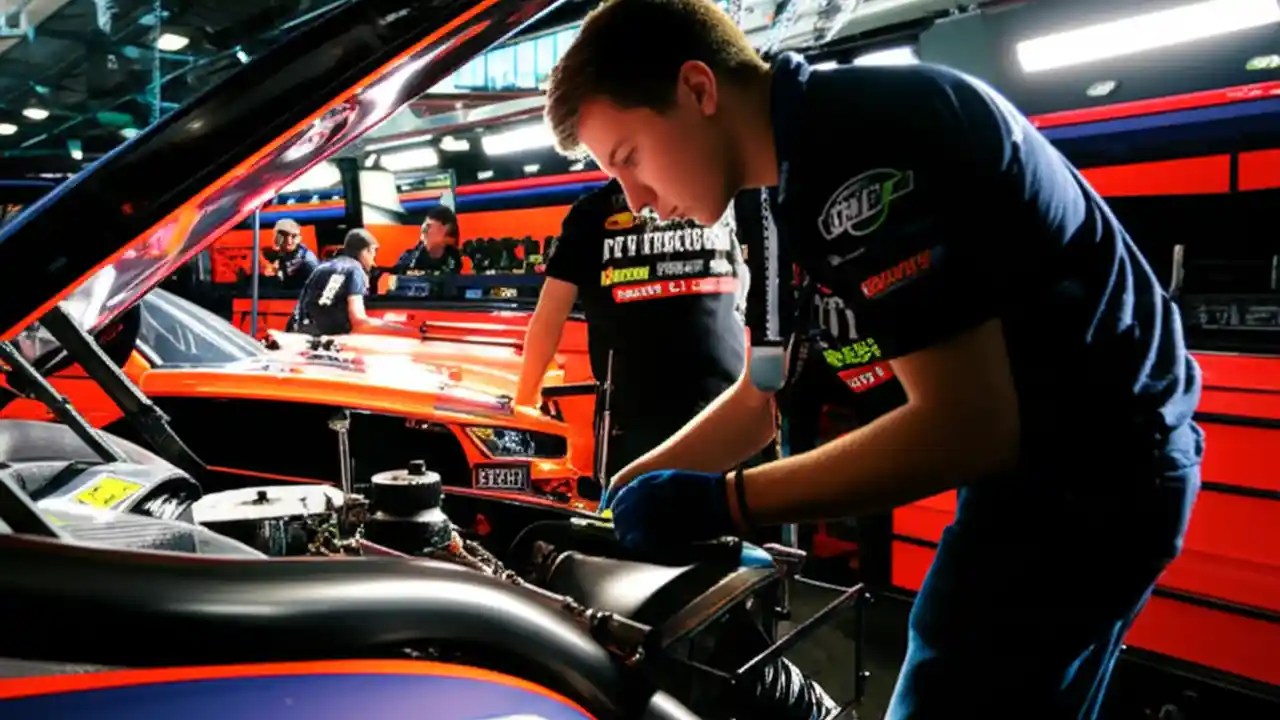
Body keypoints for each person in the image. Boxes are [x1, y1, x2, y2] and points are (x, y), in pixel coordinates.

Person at [543, 1, 1204, 717]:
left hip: (1101, 472)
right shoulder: (773, 194)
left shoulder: (860, 139)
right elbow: (764, 393)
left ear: (699, 90)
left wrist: (724, 500)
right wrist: (624, 492)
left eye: (629, 158)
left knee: (952, 666)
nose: (634, 199)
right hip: (1048, 464)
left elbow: (966, 426)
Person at [515, 177, 750, 480]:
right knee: (645, 517)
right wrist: (524, 400)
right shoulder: (592, 214)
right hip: (636, 422)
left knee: (732, 518)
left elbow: (746, 286)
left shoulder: (719, 193)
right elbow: (549, 317)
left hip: (731, 410)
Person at [291, 228, 419, 336]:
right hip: (330, 342)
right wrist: (406, 331)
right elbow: (359, 322)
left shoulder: (321, 267)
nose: (373, 261)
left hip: (301, 335)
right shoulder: (355, 270)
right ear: (367, 250)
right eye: (374, 253)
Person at [393, 205, 462, 275]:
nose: (423, 231)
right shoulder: (408, 257)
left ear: (446, 229)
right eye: (425, 226)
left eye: (429, 227)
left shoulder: (453, 258)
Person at [269, 218, 318, 290]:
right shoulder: (282, 255)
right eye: (284, 235)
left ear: (299, 238)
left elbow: (316, 289)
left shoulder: (308, 261)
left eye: (293, 236)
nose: (289, 241)